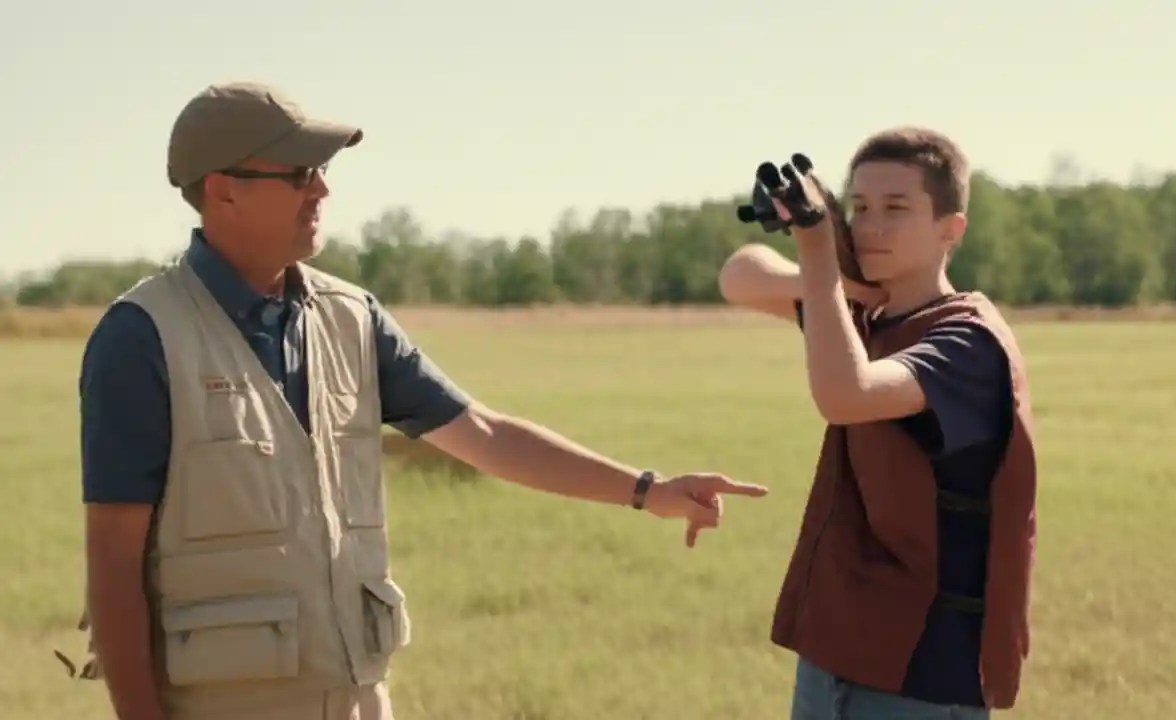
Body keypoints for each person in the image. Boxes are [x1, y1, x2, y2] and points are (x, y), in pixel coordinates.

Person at [72, 80, 768, 720]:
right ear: (224, 192)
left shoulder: (352, 318)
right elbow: (112, 562)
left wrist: (649, 490)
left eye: (322, 170)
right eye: (299, 174)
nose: (322, 190)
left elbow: (486, 434)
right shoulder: (142, 338)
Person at [719, 128, 1037, 718]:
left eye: (896, 208)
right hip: (834, 653)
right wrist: (839, 280)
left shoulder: (968, 340)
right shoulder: (860, 312)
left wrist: (820, 257)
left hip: (919, 674)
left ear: (951, 229)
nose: (871, 227)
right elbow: (739, 275)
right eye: (859, 208)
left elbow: (846, 394)